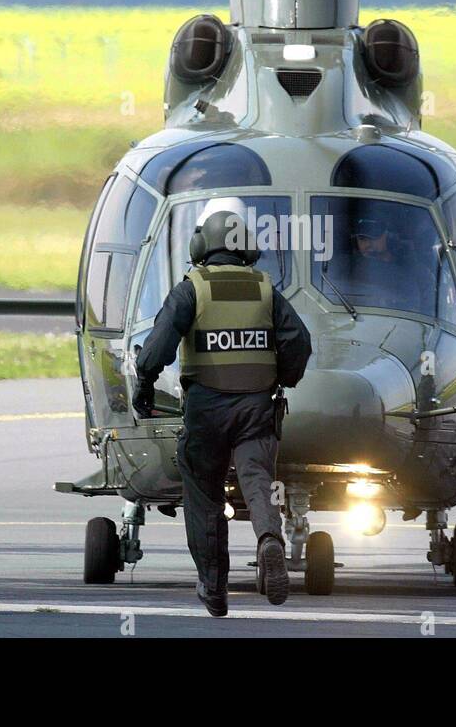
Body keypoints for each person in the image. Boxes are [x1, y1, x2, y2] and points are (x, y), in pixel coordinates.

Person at [134, 208, 312, 617]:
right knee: (258, 479)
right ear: (247, 248)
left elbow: (157, 347)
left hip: (206, 408)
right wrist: (282, 378)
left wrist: (144, 386)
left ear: (200, 246)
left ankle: (214, 587)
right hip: (256, 405)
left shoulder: (191, 289)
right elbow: (298, 341)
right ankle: (269, 538)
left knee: (204, 493)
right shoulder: (266, 290)